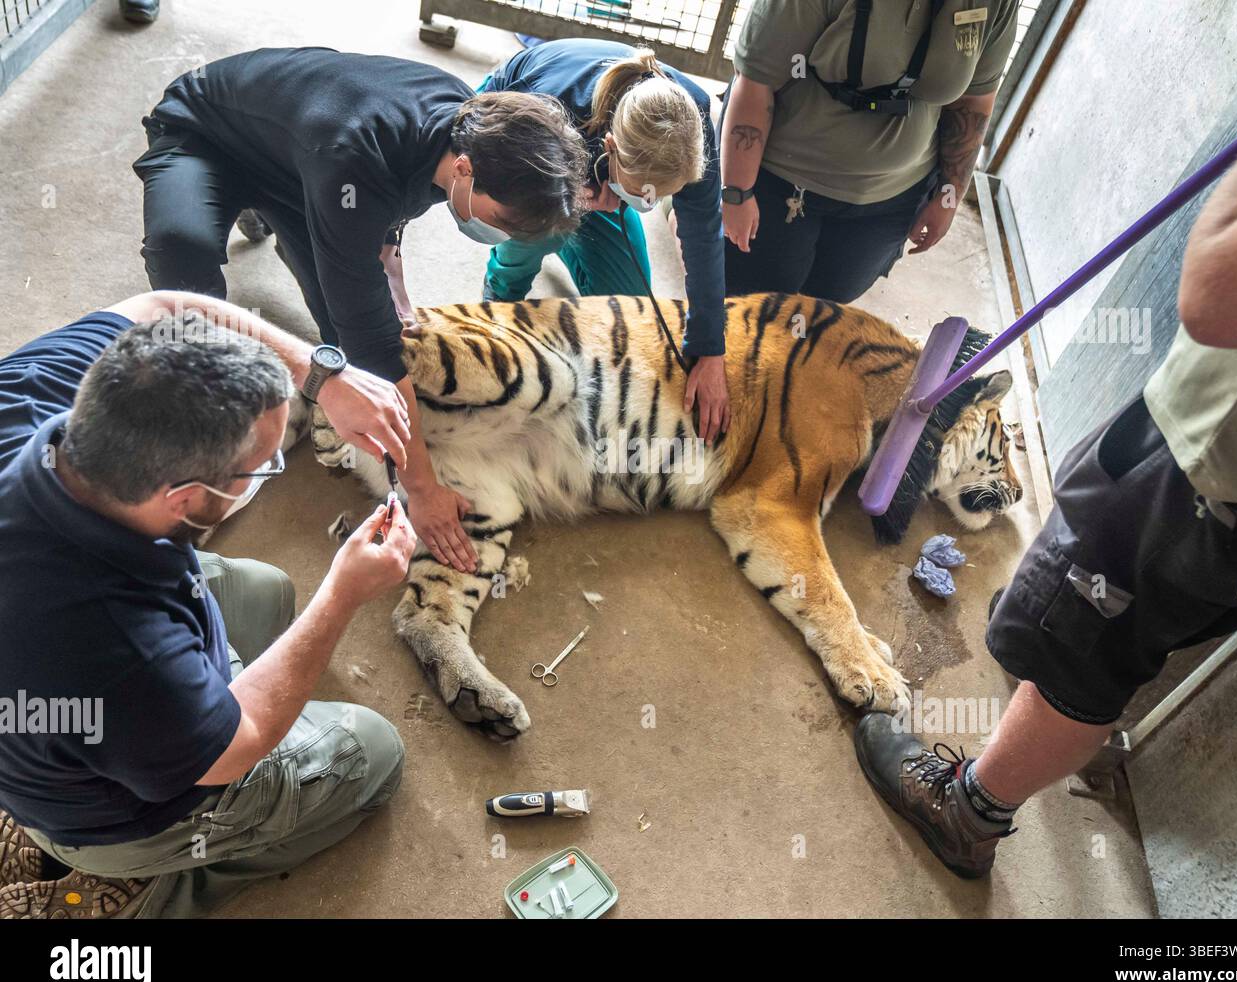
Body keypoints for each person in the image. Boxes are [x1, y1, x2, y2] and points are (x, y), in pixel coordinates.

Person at [853, 54, 1237, 879]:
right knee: (1109, 616)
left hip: (1226, 475)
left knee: (1099, 648)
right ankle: (1045, 642)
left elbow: (1216, 296)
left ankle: (970, 811)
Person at [0, 292, 418, 918]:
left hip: (65, 686)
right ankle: (150, 893)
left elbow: (162, 304)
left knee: (267, 593)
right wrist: (342, 593)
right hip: (116, 809)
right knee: (375, 754)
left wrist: (322, 376)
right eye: (262, 466)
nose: (271, 468)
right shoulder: (118, 652)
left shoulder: (33, 392)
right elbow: (239, 744)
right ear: (185, 497)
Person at [135, 47, 590, 573]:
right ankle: (230, 216)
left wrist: (394, 287)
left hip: (302, 164)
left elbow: (386, 213)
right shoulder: (355, 160)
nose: (501, 234)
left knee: (340, 335)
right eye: (499, 219)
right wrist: (422, 487)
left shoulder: (475, 128)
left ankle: (277, 217)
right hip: (205, 131)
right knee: (184, 252)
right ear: (464, 170)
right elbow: (374, 347)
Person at [480, 39, 731, 443]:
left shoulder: (693, 125)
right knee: (541, 224)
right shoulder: (550, 105)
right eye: (639, 193)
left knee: (628, 311)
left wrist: (710, 347)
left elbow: (704, 238)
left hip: (599, 168)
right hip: (513, 148)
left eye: (657, 198)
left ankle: (573, 237)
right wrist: (566, 199)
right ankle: (501, 289)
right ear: (610, 148)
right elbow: (486, 178)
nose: (647, 204)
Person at [720, 0, 1019, 302]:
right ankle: (690, 208)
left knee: (834, 295)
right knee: (753, 294)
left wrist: (949, 194)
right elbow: (755, 84)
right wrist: (736, 192)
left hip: (894, 192)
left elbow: (975, 103)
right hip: (785, 176)